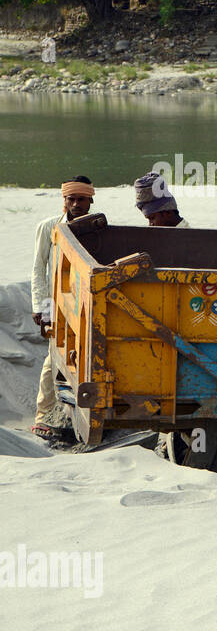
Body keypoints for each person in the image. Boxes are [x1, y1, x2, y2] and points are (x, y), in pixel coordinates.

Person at [30, 176, 96, 439]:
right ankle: (43, 415)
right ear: (64, 201)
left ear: (91, 200)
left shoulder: (97, 228)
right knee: (52, 360)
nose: (76, 204)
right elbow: (38, 269)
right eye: (72, 199)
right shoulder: (48, 227)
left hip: (84, 305)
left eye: (81, 199)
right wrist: (41, 307)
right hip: (56, 305)